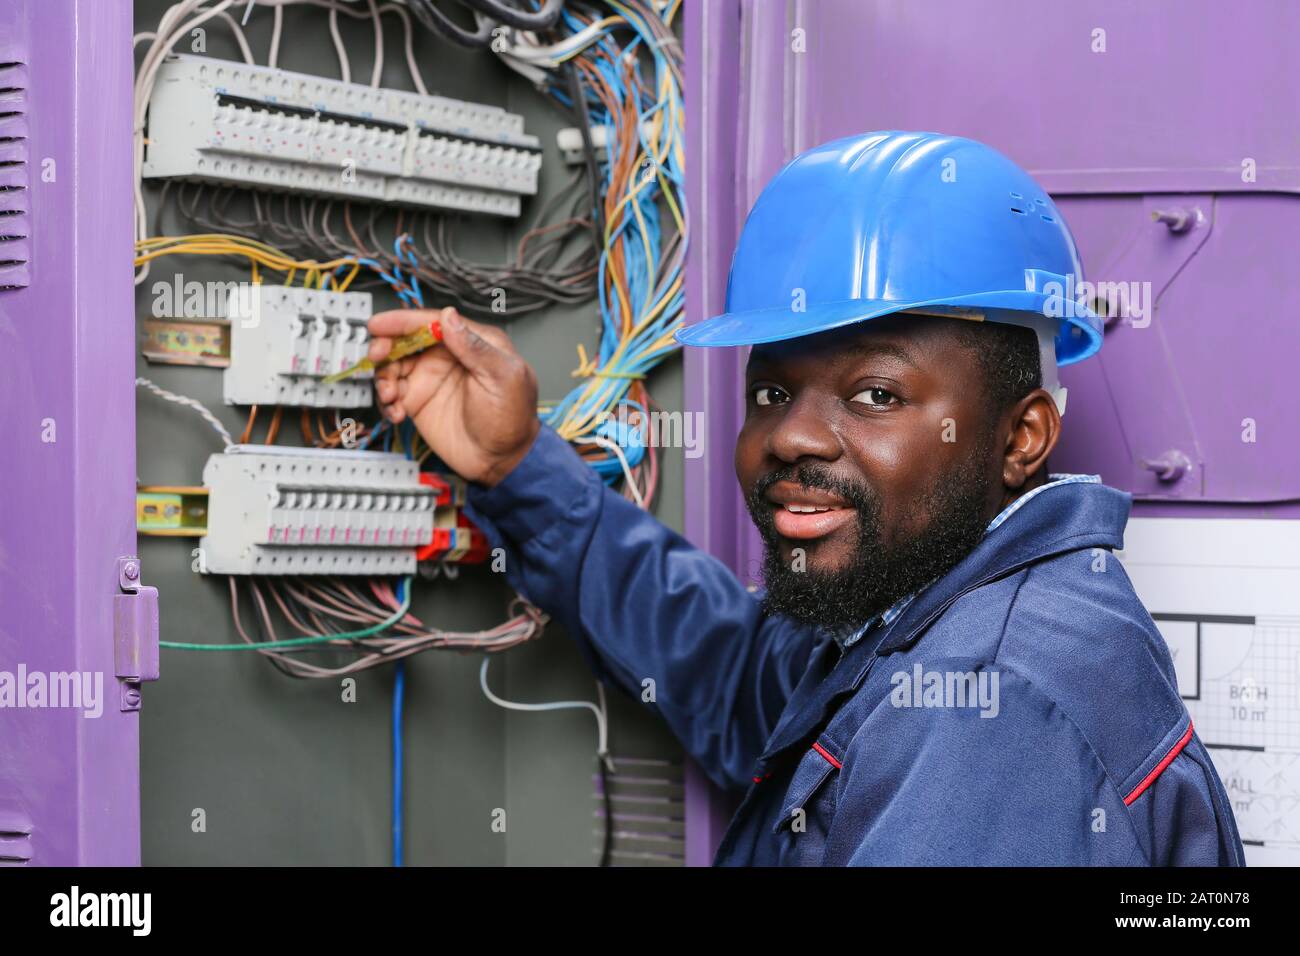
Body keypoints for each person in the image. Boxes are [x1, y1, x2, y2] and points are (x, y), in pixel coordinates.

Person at [366, 131, 1245, 866]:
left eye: (875, 395)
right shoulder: (923, 611)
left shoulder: (992, 702)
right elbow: (739, 677)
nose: (791, 438)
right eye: (772, 393)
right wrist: (517, 463)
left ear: (1020, 439)